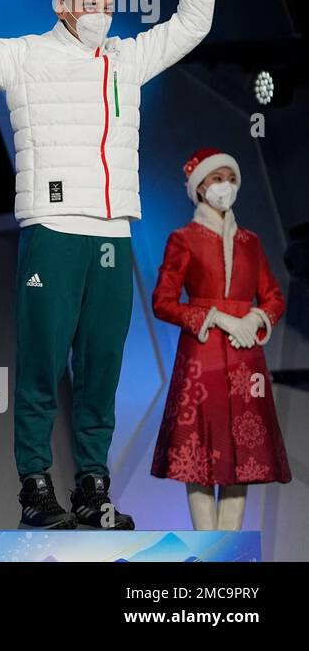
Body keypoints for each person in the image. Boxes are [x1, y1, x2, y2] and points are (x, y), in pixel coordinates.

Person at [0, 0, 218, 529]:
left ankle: (93, 490)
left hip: (112, 232)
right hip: (54, 229)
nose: (101, 12)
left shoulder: (126, 58)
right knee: (39, 363)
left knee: (101, 368)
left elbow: (192, 25)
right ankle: (35, 490)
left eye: (108, 4)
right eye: (90, 2)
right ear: (62, 4)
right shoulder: (25, 55)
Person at [150, 148, 291, 529]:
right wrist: (213, 317)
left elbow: (274, 295)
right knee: (198, 454)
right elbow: (162, 302)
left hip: (246, 357)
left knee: (241, 458)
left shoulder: (251, 241)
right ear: (199, 188)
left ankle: (229, 549)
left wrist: (256, 316)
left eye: (230, 178)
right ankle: (205, 544)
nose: (224, 185)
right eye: (216, 179)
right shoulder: (184, 239)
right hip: (202, 356)